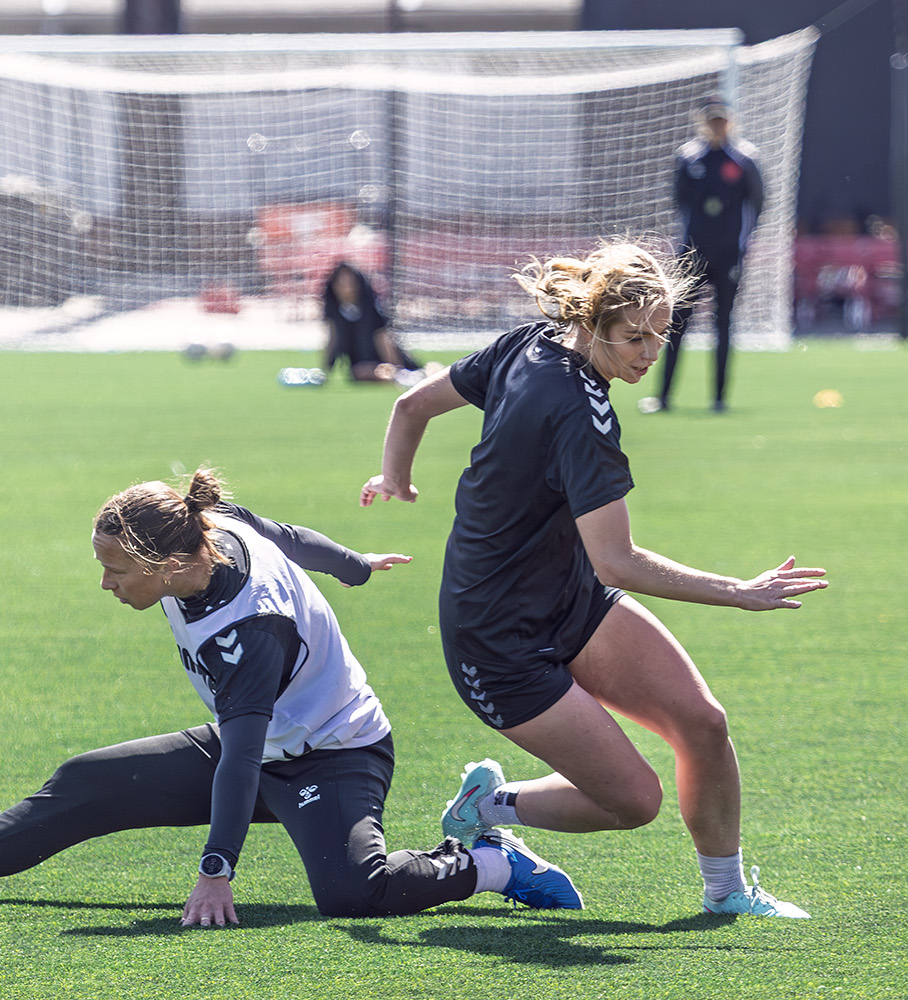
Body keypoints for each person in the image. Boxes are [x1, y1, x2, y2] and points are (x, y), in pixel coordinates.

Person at [0, 469, 584, 924]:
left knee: (354, 893)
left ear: (165, 564)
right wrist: (355, 566)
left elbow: (243, 758)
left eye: (117, 571)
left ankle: (489, 864)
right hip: (258, 744)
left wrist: (215, 868)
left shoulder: (247, 630)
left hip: (335, 754)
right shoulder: (210, 524)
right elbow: (289, 535)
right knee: (86, 782)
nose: (106, 584)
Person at [360, 241, 828, 918]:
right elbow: (619, 561)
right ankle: (491, 806)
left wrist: (395, 479)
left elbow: (411, 409)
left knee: (703, 722)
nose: (650, 352)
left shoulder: (530, 341)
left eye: (662, 334)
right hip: (496, 639)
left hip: (565, 596)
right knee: (634, 802)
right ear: (593, 323)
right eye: (635, 337)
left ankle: (728, 895)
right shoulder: (580, 412)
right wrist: (740, 592)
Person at [649, 94, 765, 414]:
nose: (717, 125)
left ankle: (718, 398)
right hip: (691, 256)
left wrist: (742, 247)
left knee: (723, 324)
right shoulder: (688, 158)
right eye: (711, 119)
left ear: (730, 121)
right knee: (677, 324)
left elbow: (757, 206)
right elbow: (680, 205)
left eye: (721, 119)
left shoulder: (744, 159)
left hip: (728, 256)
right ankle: (663, 396)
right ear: (701, 122)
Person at [321, 262, 416, 383]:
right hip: (359, 366)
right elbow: (332, 338)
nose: (345, 285)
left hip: (380, 360)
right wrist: (325, 370)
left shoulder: (371, 308)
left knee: (370, 372)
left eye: (349, 281)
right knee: (360, 372)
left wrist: (396, 369)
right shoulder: (334, 311)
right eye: (341, 281)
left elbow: (383, 338)